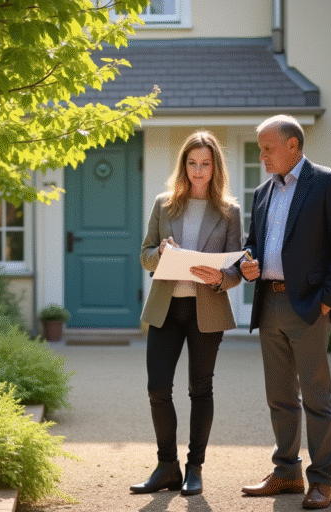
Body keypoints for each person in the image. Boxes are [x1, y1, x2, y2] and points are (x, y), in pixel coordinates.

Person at [239, 115, 331, 509]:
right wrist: (247, 263)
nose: (262, 155)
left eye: (267, 148)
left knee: (316, 397)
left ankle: (321, 481)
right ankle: (286, 472)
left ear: (293, 145)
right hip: (268, 302)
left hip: (309, 306)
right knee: (280, 397)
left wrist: (328, 300)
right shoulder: (262, 192)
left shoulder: (328, 182)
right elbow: (254, 244)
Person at [131, 131, 242, 496]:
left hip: (205, 310)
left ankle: (195, 468)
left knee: (200, 389)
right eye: (192, 163)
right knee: (157, 388)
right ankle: (167, 467)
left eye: (205, 164)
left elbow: (236, 268)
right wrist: (161, 252)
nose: (198, 171)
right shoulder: (164, 204)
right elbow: (145, 253)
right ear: (184, 165)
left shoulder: (229, 212)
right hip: (166, 308)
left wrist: (221, 277)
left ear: (215, 168)